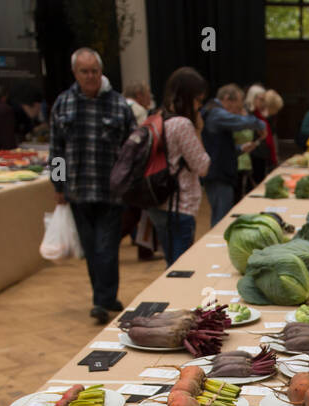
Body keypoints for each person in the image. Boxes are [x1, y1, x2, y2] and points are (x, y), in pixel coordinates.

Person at [49, 48, 136, 322]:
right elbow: (56, 149)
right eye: (84, 72)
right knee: (91, 249)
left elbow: (132, 147)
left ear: (101, 71)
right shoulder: (63, 104)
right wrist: (58, 185)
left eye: (94, 71)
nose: (90, 76)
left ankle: (102, 300)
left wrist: (129, 182)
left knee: (106, 247)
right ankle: (105, 296)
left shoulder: (119, 104)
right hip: (77, 191)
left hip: (111, 192)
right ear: (75, 73)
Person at [147, 67, 211, 265]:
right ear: (188, 97)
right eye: (198, 100)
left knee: (171, 265)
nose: (200, 106)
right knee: (181, 269)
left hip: (157, 201)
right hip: (179, 206)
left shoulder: (156, 117)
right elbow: (202, 166)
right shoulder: (182, 124)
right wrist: (199, 130)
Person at [199, 84, 265, 227]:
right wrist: (260, 124)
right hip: (218, 175)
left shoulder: (213, 111)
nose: (240, 107)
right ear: (228, 98)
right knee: (221, 221)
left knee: (222, 216)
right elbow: (239, 121)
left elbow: (219, 147)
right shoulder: (215, 113)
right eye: (239, 101)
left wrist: (240, 148)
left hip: (219, 173)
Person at [250, 89, 283, 185]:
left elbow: (271, 138)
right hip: (257, 153)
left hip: (263, 153)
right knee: (257, 181)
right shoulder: (254, 116)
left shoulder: (266, 118)